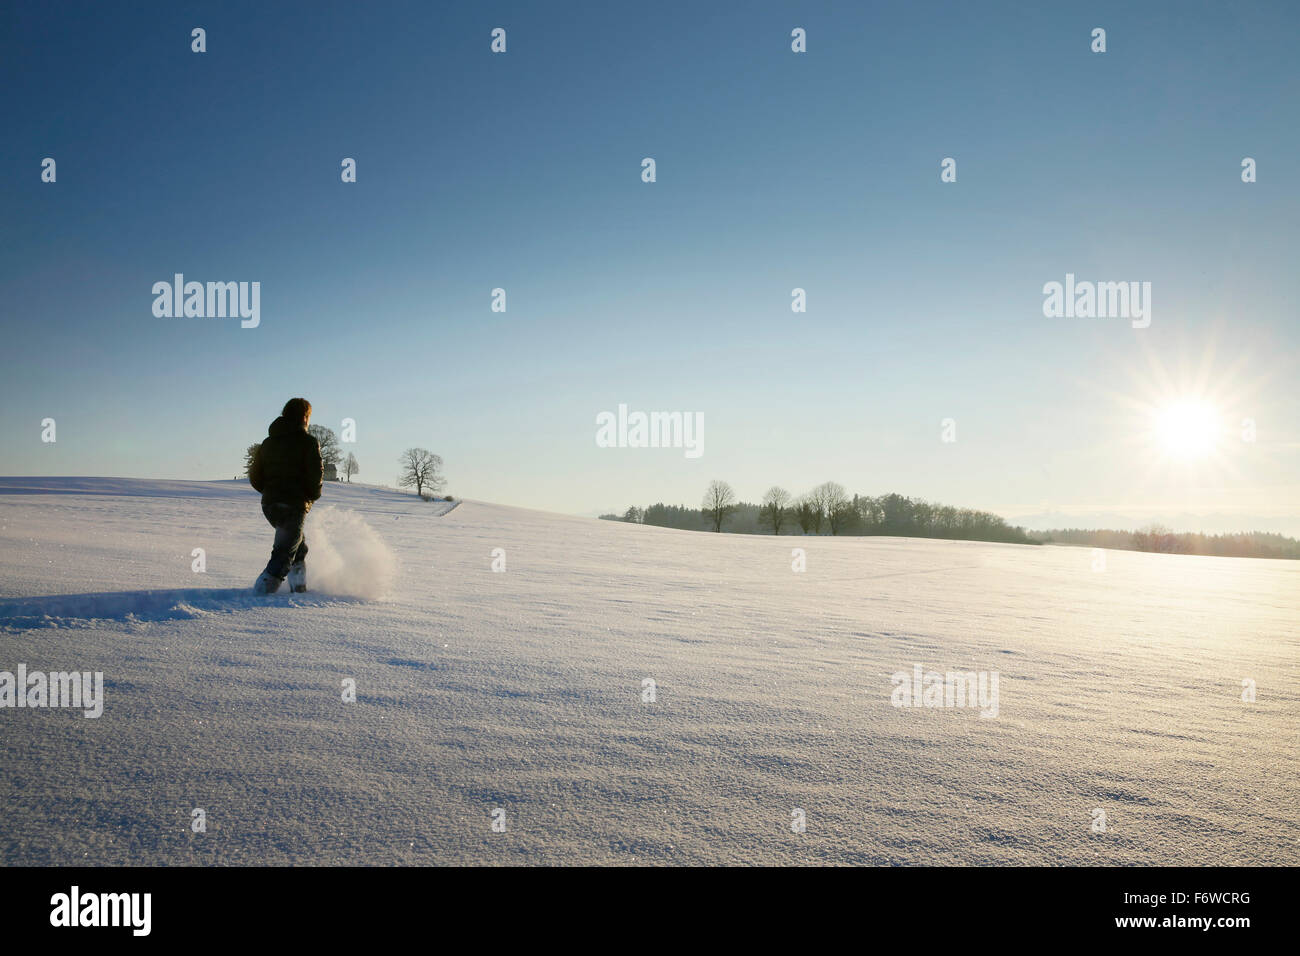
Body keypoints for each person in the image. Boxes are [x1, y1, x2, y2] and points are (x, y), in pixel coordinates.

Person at [248, 397, 323, 593]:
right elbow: (316, 477)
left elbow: (255, 475)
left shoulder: (268, 442)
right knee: (284, 552)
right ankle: (260, 593)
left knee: (297, 546)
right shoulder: (308, 442)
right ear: (304, 417)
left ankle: (299, 588)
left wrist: (270, 492)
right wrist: (310, 497)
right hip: (294, 504)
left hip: (270, 505)